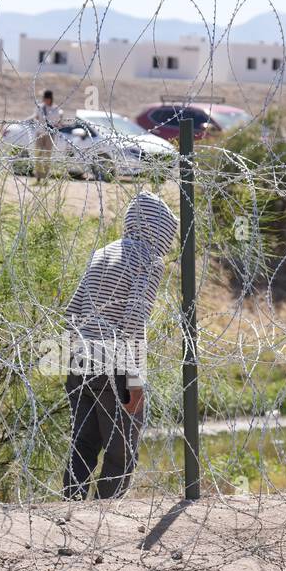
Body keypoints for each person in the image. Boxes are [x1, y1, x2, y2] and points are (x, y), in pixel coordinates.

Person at [62, 191, 177, 500]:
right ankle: (106, 513)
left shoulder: (102, 252)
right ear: (161, 229)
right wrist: (135, 379)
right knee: (122, 449)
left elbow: (72, 311)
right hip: (116, 365)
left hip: (79, 358)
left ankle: (69, 509)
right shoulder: (148, 260)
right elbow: (134, 321)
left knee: (83, 443)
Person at [31, 89, 62, 180]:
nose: (46, 100)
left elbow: (57, 122)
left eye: (47, 99)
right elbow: (35, 117)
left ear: (51, 99)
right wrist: (38, 122)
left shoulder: (55, 109)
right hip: (40, 133)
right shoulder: (40, 107)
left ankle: (45, 177)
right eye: (44, 98)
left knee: (47, 156)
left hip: (49, 135)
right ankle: (38, 176)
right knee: (38, 154)